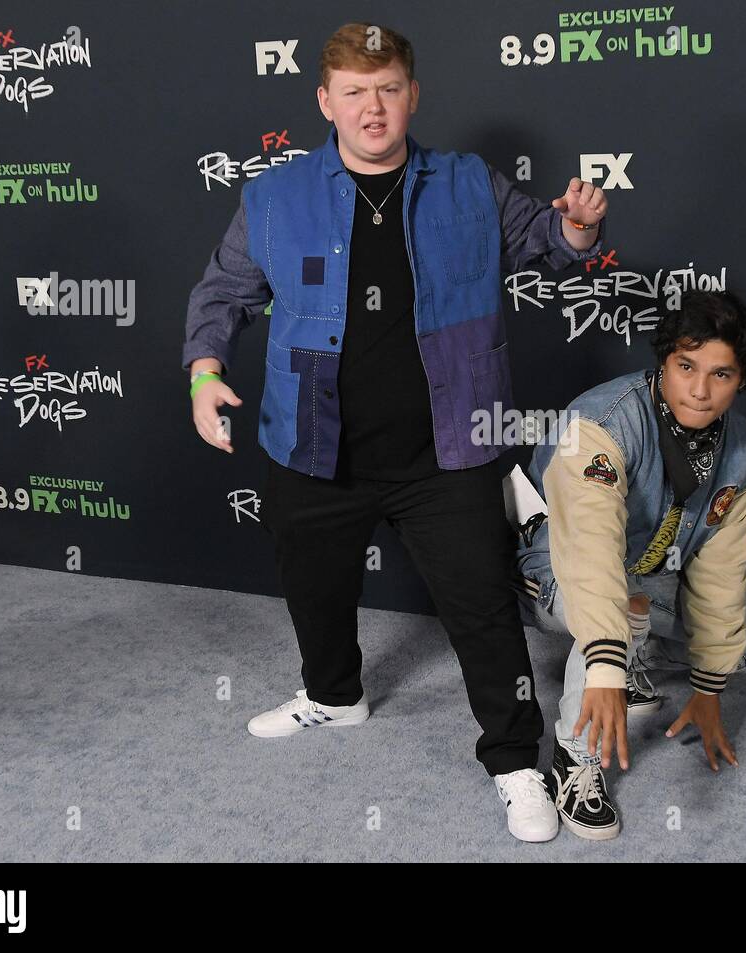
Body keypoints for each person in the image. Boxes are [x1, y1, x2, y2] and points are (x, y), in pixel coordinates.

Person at [180, 22, 609, 843]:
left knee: (482, 607)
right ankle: (334, 696)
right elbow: (223, 292)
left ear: (412, 94)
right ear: (325, 101)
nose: (371, 109)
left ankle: (518, 760)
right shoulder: (276, 195)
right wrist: (204, 373)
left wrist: (578, 229)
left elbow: (546, 244)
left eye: (387, 90)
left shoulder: (468, 184)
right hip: (311, 437)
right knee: (313, 585)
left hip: (444, 445)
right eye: (353, 92)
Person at [514, 289, 746, 840]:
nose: (700, 389)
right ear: (663, 361)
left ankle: (633, 657)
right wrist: (605, 668)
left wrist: (709, 691)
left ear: (742, 381)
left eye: (722, 374)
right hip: (561, 569)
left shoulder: (737, 443)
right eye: (686, 366)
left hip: (653, 568)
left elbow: (718, 567)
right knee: (627, 612)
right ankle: (573, 757)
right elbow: (589, 556)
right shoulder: (603, 423)